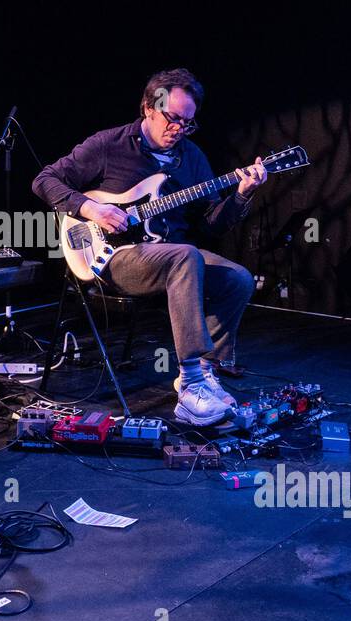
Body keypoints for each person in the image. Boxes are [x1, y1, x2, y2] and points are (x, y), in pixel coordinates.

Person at [32, 67, 267, 426]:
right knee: (185, 257)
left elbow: (211, 224)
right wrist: (91, 208)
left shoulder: (193, 158)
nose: (179, 129)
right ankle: (189, 387)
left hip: (171, 255)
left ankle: (205, 372)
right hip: (114, 256)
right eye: (172, 119)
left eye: (188, 123)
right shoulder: (109, 145)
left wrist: (241, 195)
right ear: (148, 107)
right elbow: (44, 179)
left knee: (238, 279)